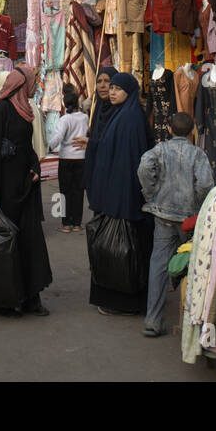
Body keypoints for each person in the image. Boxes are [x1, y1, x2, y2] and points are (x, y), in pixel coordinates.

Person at [0, 67, 53, 317]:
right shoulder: (1, 110)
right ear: (22, 85)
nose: (35, 85)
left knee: (29, 243)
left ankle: (31, 298)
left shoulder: (25, 110)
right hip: (3, 191)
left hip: (24, 189)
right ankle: (4, 300)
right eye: (32, 82)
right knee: (5, 245)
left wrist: (34, 168)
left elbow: (26, 147)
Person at [138, 111, 215, 337]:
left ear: (170, 129)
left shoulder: (160, 150)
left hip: (163, 214)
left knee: (159, 265)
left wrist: (151, 193)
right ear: (192, 131)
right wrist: (199, 206)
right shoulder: (198, 154)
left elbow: (144, 166)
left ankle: (152, 320)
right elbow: (205, 184)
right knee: (191, 266)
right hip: (188, 219)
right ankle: (190, 323)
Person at [86, 71, 154, 316]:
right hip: (115, 195)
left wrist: (119, 201)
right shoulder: (121, 114)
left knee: (125, 251)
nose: (111, 91)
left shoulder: (130, 119)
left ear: (129, 91)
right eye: (109, 87)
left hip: (123, 198)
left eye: (116, 88)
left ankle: (125, 303)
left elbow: (128, 163)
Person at [49, 86, 88, 233]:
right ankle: (77, 223)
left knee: (64, 191)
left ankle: (66, 224)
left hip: (66, 158)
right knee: (78, 191)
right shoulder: (84, 117)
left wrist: (48, 147)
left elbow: (58, 137)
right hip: (81, 158)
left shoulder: (64, 119)